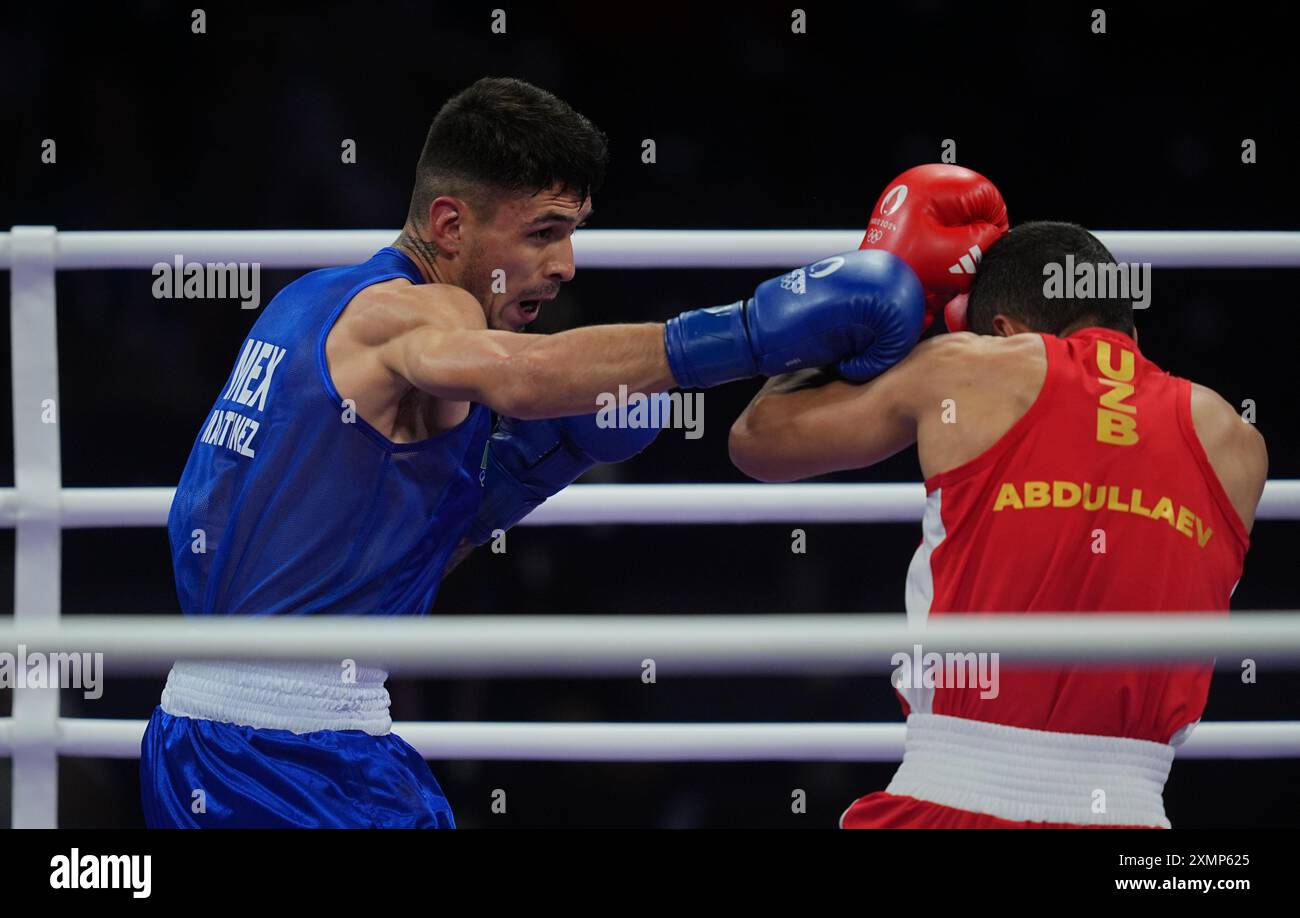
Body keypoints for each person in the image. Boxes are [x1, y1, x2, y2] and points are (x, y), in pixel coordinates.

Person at [140, 77, 929, 827]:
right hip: (296, 755)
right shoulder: (419, 312)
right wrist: (749, 335)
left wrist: (518, 478)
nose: (566, 266)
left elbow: (324, 556)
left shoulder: (308, 300)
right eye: (544, 232)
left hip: (195, 737)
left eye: (573, 233)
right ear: (450, 226)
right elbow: (522, 379)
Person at [728, 170, 1268, 828]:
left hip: (949, 795)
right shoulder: (1236, 442)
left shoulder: (969, 366)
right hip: (1135, 816)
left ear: (1005, 329)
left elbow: (757, 440)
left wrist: (881, 291)